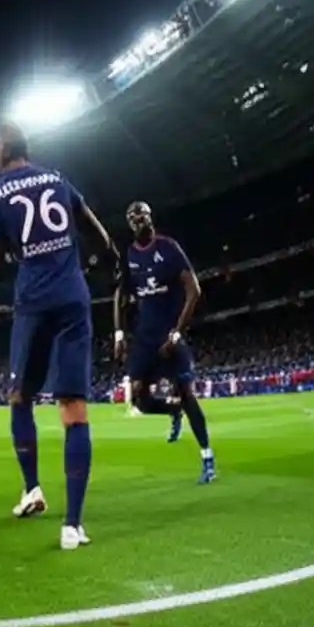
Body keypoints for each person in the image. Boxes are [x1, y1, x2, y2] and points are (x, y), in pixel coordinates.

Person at [0, 122, 117, 551]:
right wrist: (99, 259)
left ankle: (33, 488)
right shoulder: (58, 179)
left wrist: (18, 249)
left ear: (2, 151)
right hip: (73, 298)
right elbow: (98, 231)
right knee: (74, 410)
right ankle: (73, 525)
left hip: (35, 302)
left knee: (20, 395)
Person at [114, 201, 215, 484]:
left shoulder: (168, 248)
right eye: (133, 219)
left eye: (142, 216)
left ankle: (207, 456)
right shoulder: (130, 256)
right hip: (144, 338)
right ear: (130, 224)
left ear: (150, 218)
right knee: (140, 400)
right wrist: (119, 333)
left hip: (169, 334)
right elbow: (120, 296)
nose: (139, 222)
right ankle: (173, 412)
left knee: (187, 393)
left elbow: (193, 289)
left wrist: (177, 333)